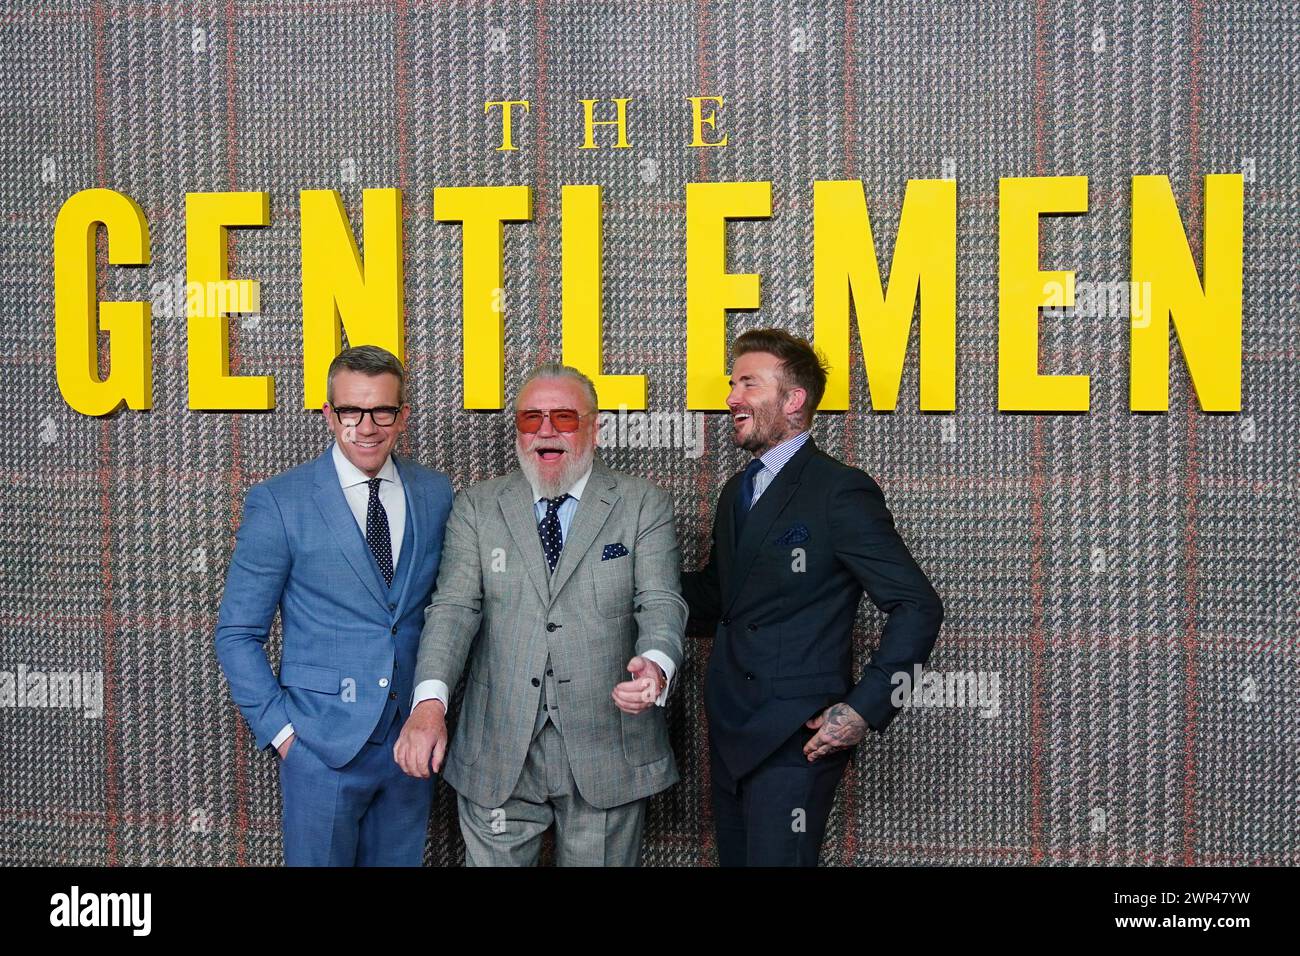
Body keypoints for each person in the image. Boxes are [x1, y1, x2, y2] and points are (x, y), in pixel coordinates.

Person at [395, 363, 686, 866]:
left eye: (564, 418)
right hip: (497, 748)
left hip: (606, 745)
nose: (546, 430)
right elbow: (453, 610)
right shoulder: (478, 507)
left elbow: (660, 600)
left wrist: (656, 665)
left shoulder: (642, 505)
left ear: (594, 427)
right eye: (531, 419)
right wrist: (429, 704)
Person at [682, 328, 943, 866]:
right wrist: (623, 582)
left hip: (794, 737)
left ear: (793, 400)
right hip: (731, 727)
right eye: (733, 384)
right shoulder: (740, 489)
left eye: (747, 384)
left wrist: (864, 709)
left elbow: (917, 605)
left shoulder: (838, 490)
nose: (731, 398)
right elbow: (719, 598)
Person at [215, 345, 453, 866]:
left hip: (409, 747)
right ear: (329, 414)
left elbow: (448, 611)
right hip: (319, 749)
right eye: (350, 411)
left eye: (382, 411)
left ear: (402, 416)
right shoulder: (281, 502)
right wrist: (284, 736)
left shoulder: (436, 494)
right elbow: (237, 634)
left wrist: (430, 712)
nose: (366, 427)